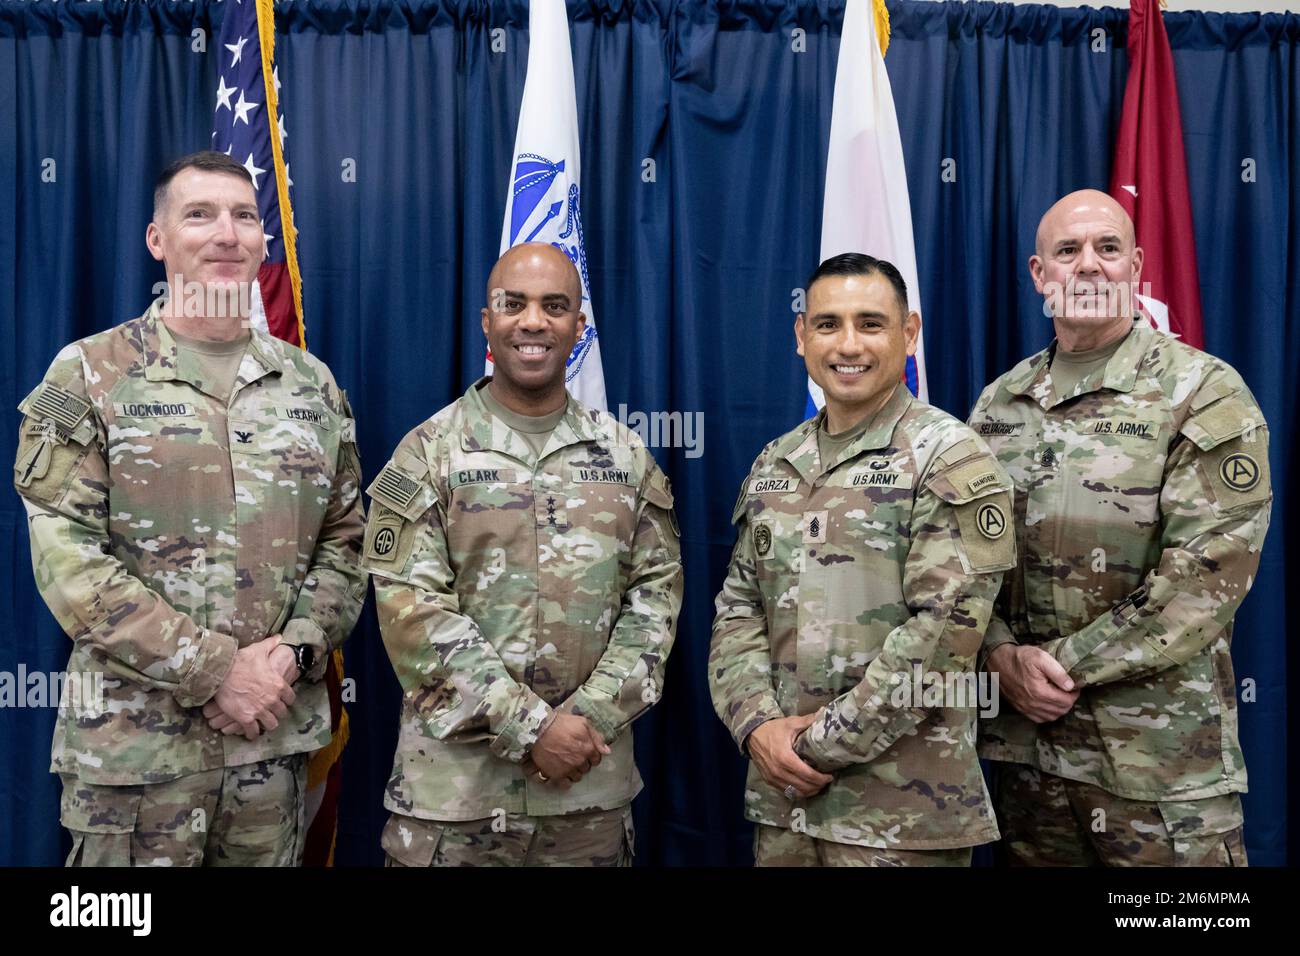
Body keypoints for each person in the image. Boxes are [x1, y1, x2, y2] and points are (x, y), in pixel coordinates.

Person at [13, 150, 366, 866]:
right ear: (157, 239)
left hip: (272, 747)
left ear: (265, 241)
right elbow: (69, 560)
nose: (226, 234)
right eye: (199, 214)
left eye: (243, 216)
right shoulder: (88, 372)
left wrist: (294, 653)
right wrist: (214, 671)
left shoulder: (312, 386)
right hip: (134, 758)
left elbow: (348, 543)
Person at [971, 189, 1271, 866]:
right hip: (1033, 766)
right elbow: (963, 559)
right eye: (1067, 251)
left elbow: (1208, 575)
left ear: (1135, 265)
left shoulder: (1203, 391)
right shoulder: (998, 405)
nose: (1089, 266)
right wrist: (996, 654)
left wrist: (1050, 669)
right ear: (1038, 273)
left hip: (1160, 768)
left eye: (1108, 249)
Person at [365, 242, 682, 867]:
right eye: (513, 304)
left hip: (586, 796)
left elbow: (657, 599)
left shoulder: (625, 456)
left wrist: (585, 722)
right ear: (487, 320)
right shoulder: (427, 453)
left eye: (554, 306)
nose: (532, 322)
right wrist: (534, 729)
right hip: (454, 804)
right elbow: (412, 614)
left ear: (578, 327)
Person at [709, 252, 1015, 866]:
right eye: (828, 324)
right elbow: (739, 609)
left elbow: (943, 634)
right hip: (785, 806)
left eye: (871, 323)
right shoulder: (777, 461)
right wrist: (757, 727)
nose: (848, 343)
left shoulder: (950, 457)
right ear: (802, 337)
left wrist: (814, 747)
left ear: (910, 333)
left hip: (900, 818)